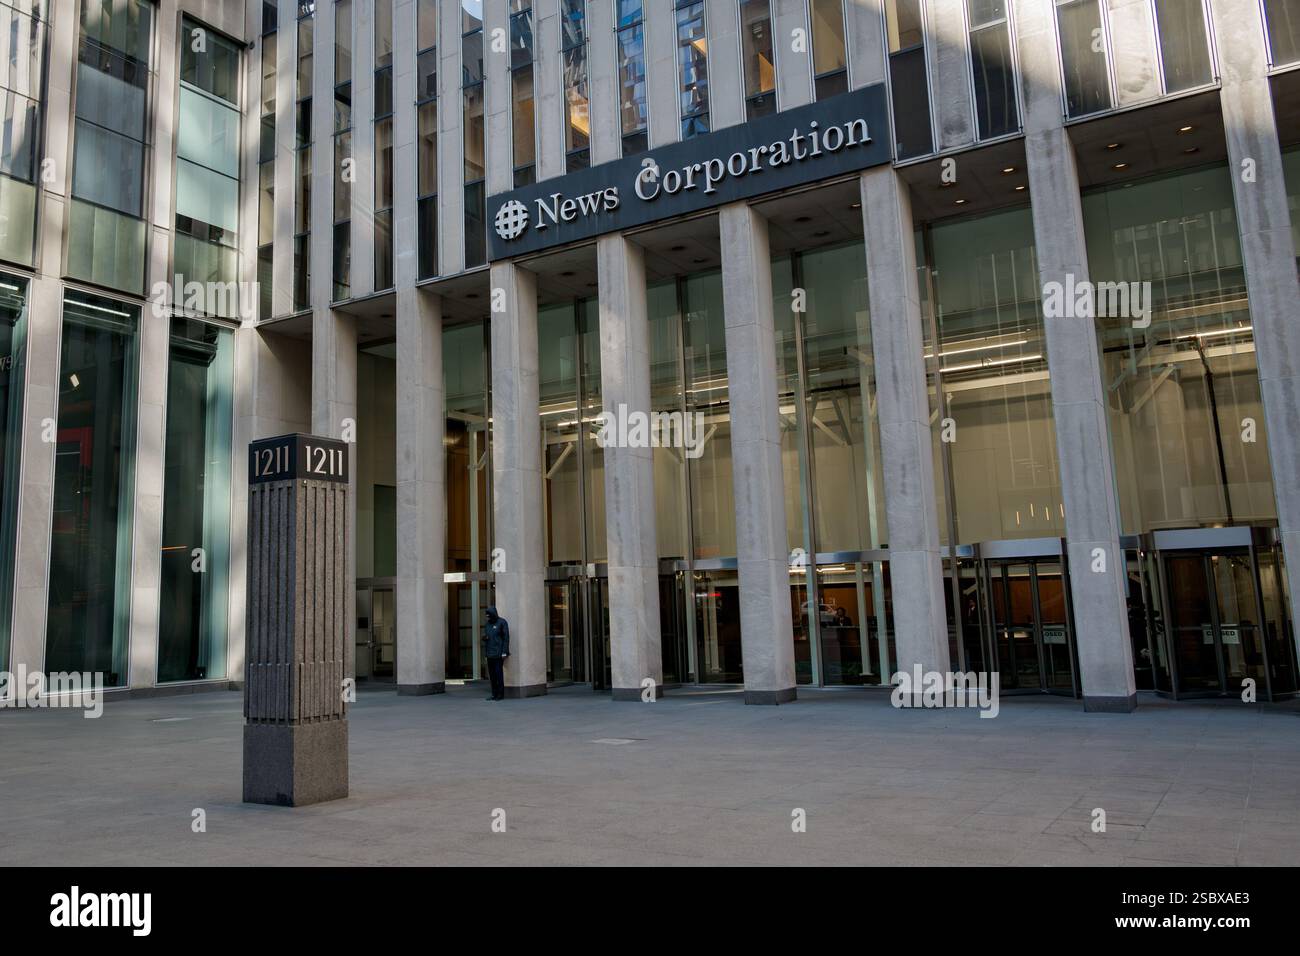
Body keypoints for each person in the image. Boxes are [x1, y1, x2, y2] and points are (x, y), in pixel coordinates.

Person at [482, 606, 510, 701]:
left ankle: (500, 694)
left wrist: (504, 652)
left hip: (498, 654)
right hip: (490, 654)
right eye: (487, 616)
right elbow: (487, 638)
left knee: (498, 675)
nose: (487, 618)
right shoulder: (487, 624)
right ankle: (494, 694)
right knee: (492, 676)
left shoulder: (502, 622)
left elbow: (506, 638)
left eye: (489, 616)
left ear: (493, 615)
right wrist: (485, 639)